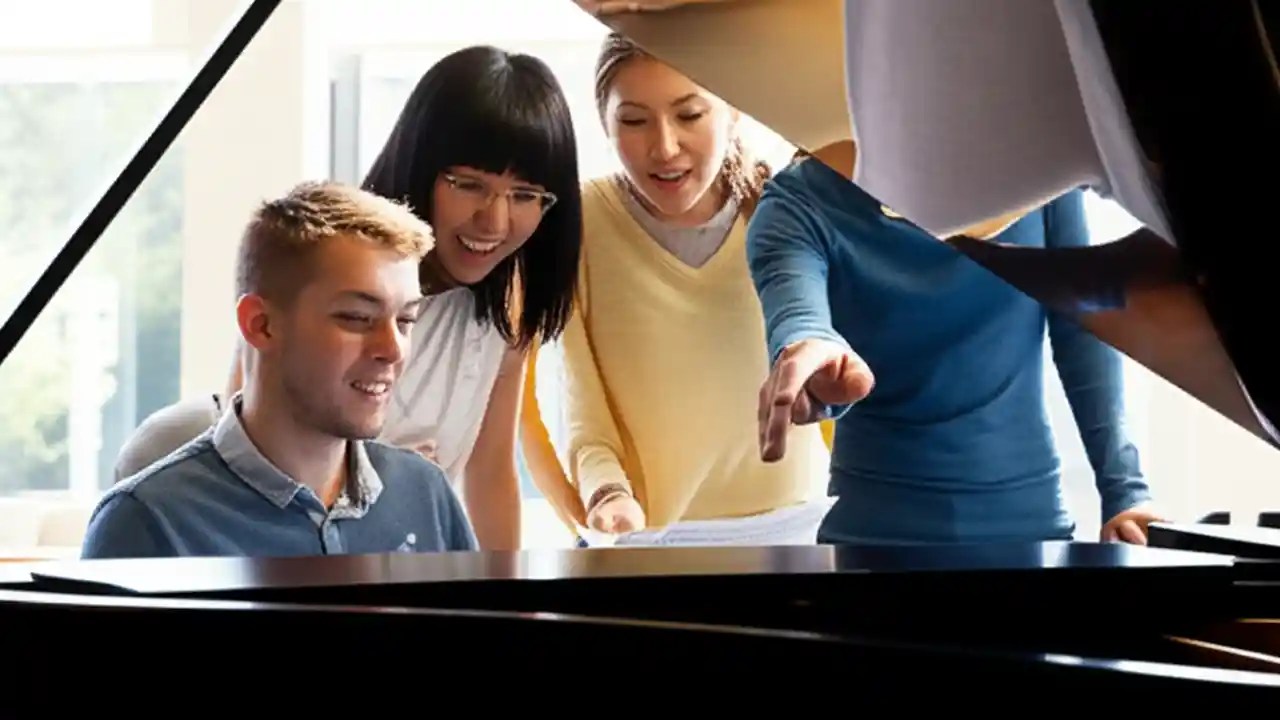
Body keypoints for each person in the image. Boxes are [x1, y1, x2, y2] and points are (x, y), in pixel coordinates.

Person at [749, 142, 1163, 546]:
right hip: (870, 537)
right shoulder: (798, 201)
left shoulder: (1043, 175)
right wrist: (807, 347)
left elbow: (1084, 329)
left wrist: (1126, 492)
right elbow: (798, 311)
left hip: (1029, 529)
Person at [523, 33, 831, 546]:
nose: (664, 147)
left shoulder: (788, 214)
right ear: (604, 122)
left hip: (794, 537)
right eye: (634, 121)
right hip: (649, 545)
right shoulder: (577, 225)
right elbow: (581, 409)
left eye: (689, 115)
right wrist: (607, 495)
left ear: (734, 108)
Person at [81, 181, 476, 559]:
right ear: (261, 325)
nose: (393, 350)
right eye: (357, 317)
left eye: (405, 320)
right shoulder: (148, 522)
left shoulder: (426, 495)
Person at [358, 45, 583, 551]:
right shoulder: (330, 269)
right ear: (418, 164)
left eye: (524, 196)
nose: (494, 222)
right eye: (468, 185)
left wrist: (506, 588)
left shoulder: (506, 298)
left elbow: (490, 468)